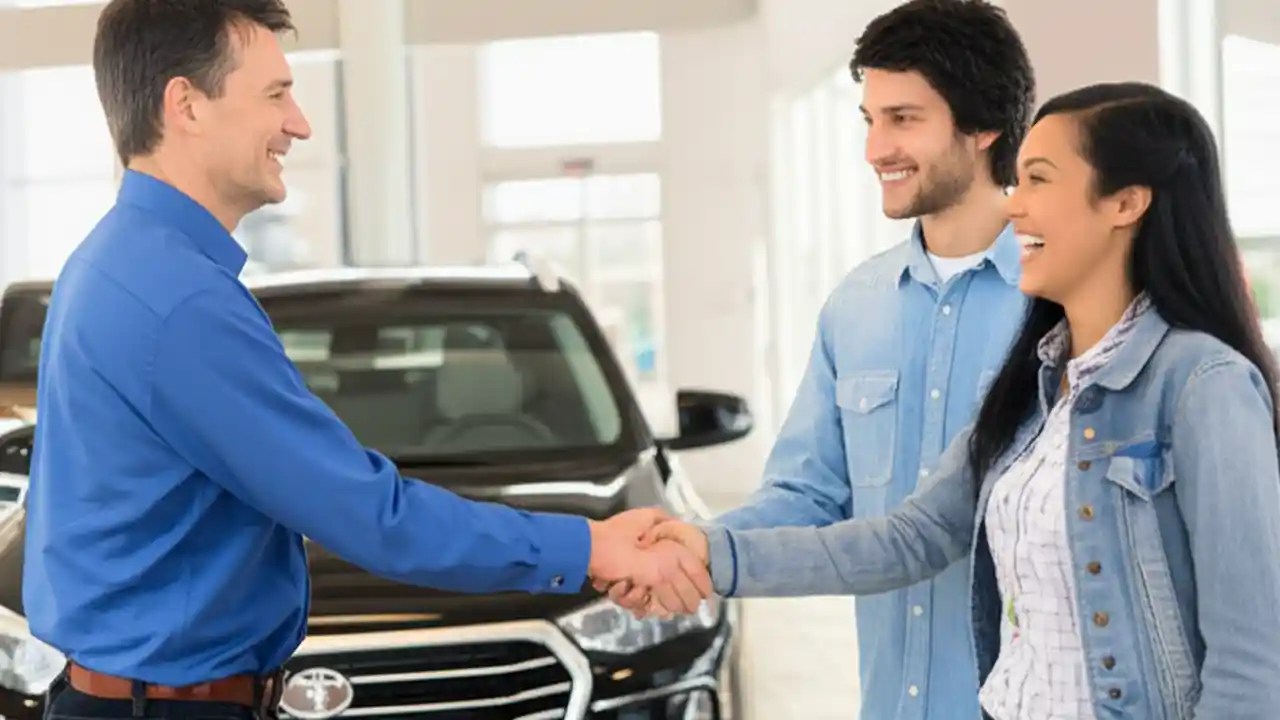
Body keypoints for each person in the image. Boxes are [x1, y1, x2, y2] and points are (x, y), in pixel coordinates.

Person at [23, 2, 706, 719]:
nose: (300, 123)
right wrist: (593, 547)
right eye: (275, 94)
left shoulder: (111, 264)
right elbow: (367, 515)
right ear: (186, 104)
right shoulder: (178, 301)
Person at [641, 82, 1280, 718]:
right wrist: (711, 551)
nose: (1013, 207)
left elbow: (1251, 662)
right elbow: (905, 539)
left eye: (1038, 180)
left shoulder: (1204, 385)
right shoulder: (1031, 389)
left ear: (1125, 203)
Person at [602, 1, 1035, 717]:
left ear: (984, 126)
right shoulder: (856, 307)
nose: (875, 150)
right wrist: (691, 544)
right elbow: (806, 497)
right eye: (870, 120)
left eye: (904, 119)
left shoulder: (1057, 305)